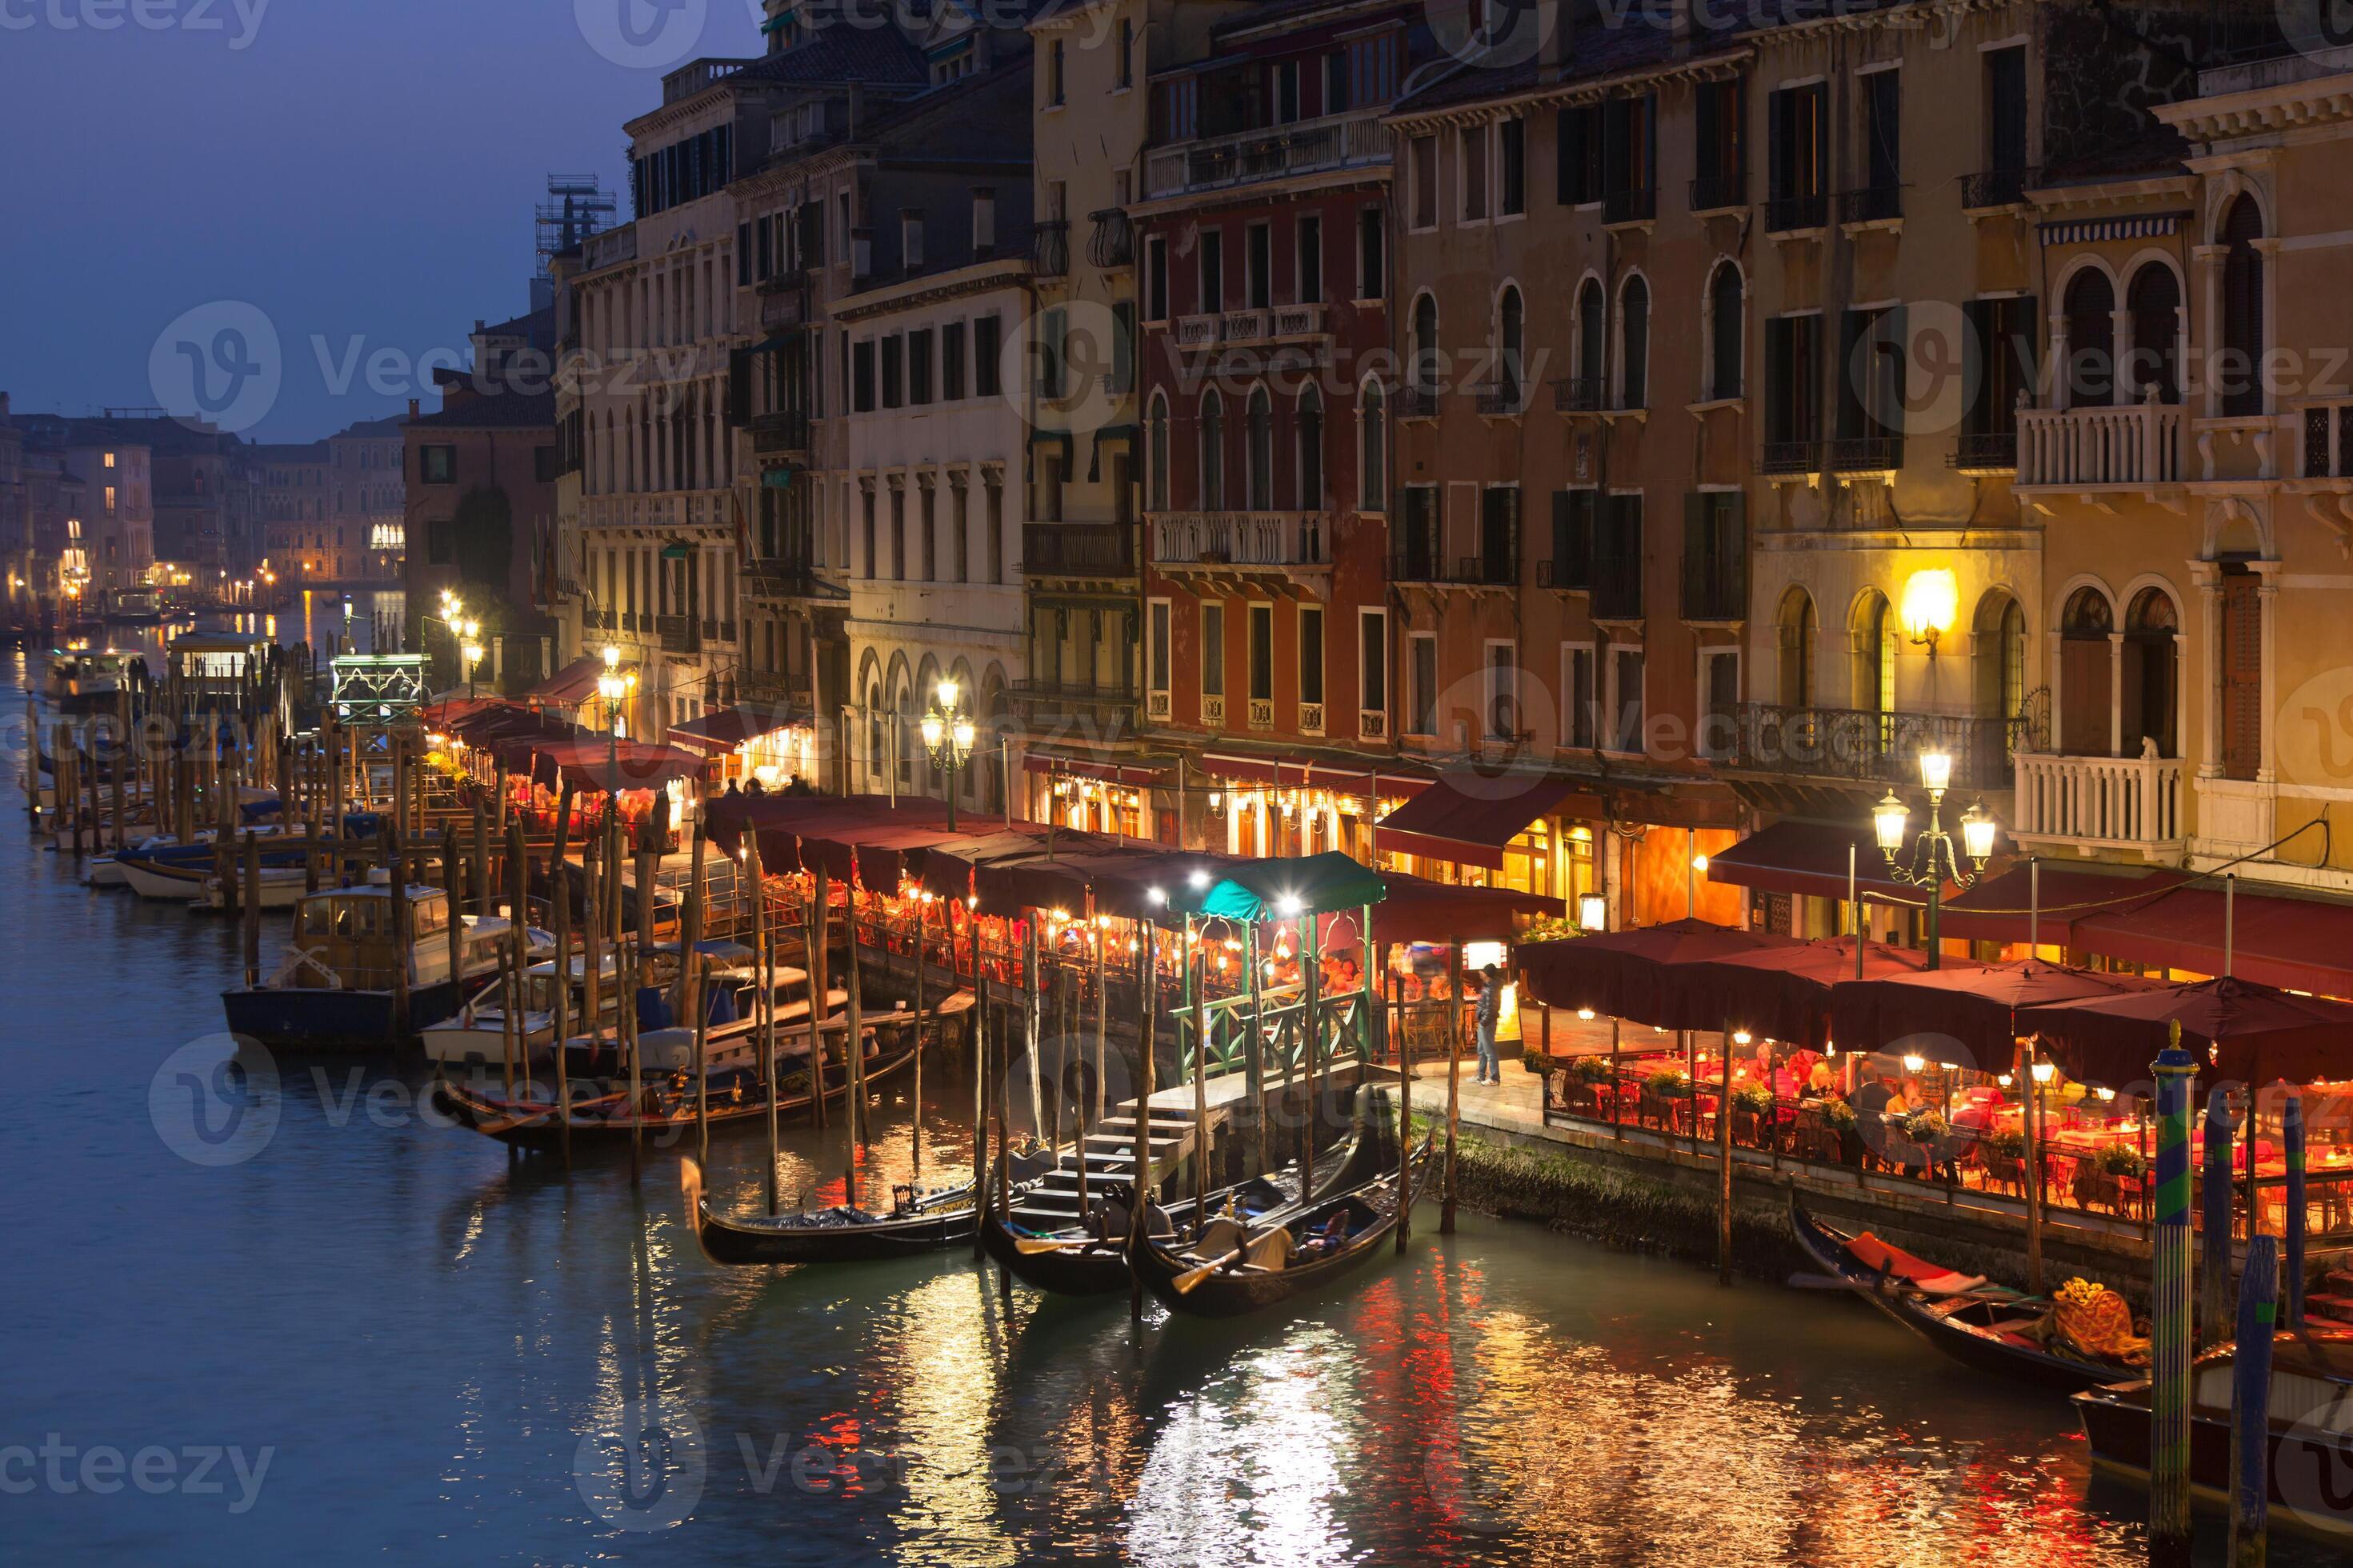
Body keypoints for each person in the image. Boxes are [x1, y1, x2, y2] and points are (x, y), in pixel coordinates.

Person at [1474, 964, 1503, 1085]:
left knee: (1489, 1051)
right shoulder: (1488, 986)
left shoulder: (1492, 988)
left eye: (1482, 971)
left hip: (1487, 1023)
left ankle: (1494, 1078)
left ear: (1487, 974)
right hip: (1484, 1022)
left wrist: (1484, 1022)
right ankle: (1481, 1076)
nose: (1480, 973)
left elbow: (1492, 1008)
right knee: (1482, 1050)